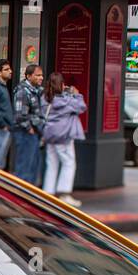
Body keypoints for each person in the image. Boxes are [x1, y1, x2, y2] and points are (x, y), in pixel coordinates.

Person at [42, 73, 86, 207]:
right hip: (63, 136)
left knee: (52, 163)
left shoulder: (44, 98)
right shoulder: (67, 100)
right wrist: (76, 94)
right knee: (68, 163)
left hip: (49, 135)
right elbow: (81, 107)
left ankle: (48, 193)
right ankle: (64, 194)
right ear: (61, 85)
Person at [12, 63, 45, 186]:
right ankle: (21, 194)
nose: (41, 77)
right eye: (38, 75)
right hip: (25, 133)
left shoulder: (36, 91)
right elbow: (20, 115)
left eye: (41, 75)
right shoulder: (22, 91)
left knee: (33, 165)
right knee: (25, 165)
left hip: (34, 132)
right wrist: (29, 128)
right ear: (28, 76)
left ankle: (30, 193)